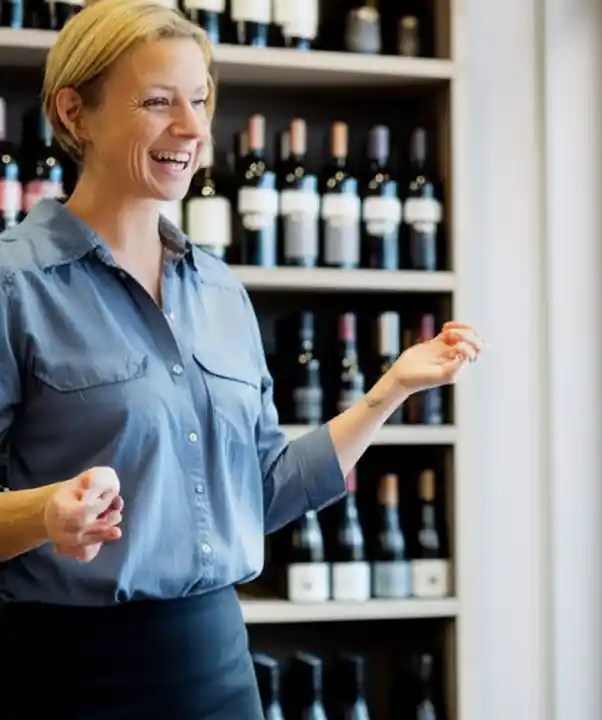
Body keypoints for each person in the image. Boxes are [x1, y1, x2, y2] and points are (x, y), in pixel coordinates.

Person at [0, 1, 483, 717]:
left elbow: (261, 492)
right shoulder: (15, 285)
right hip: (64, 673)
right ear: (75, 113)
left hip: (218, 665)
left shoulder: (221, 290)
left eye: (199, 100)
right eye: (158, 102)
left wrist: (388, 392)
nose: (193, 129)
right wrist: (46, 514)